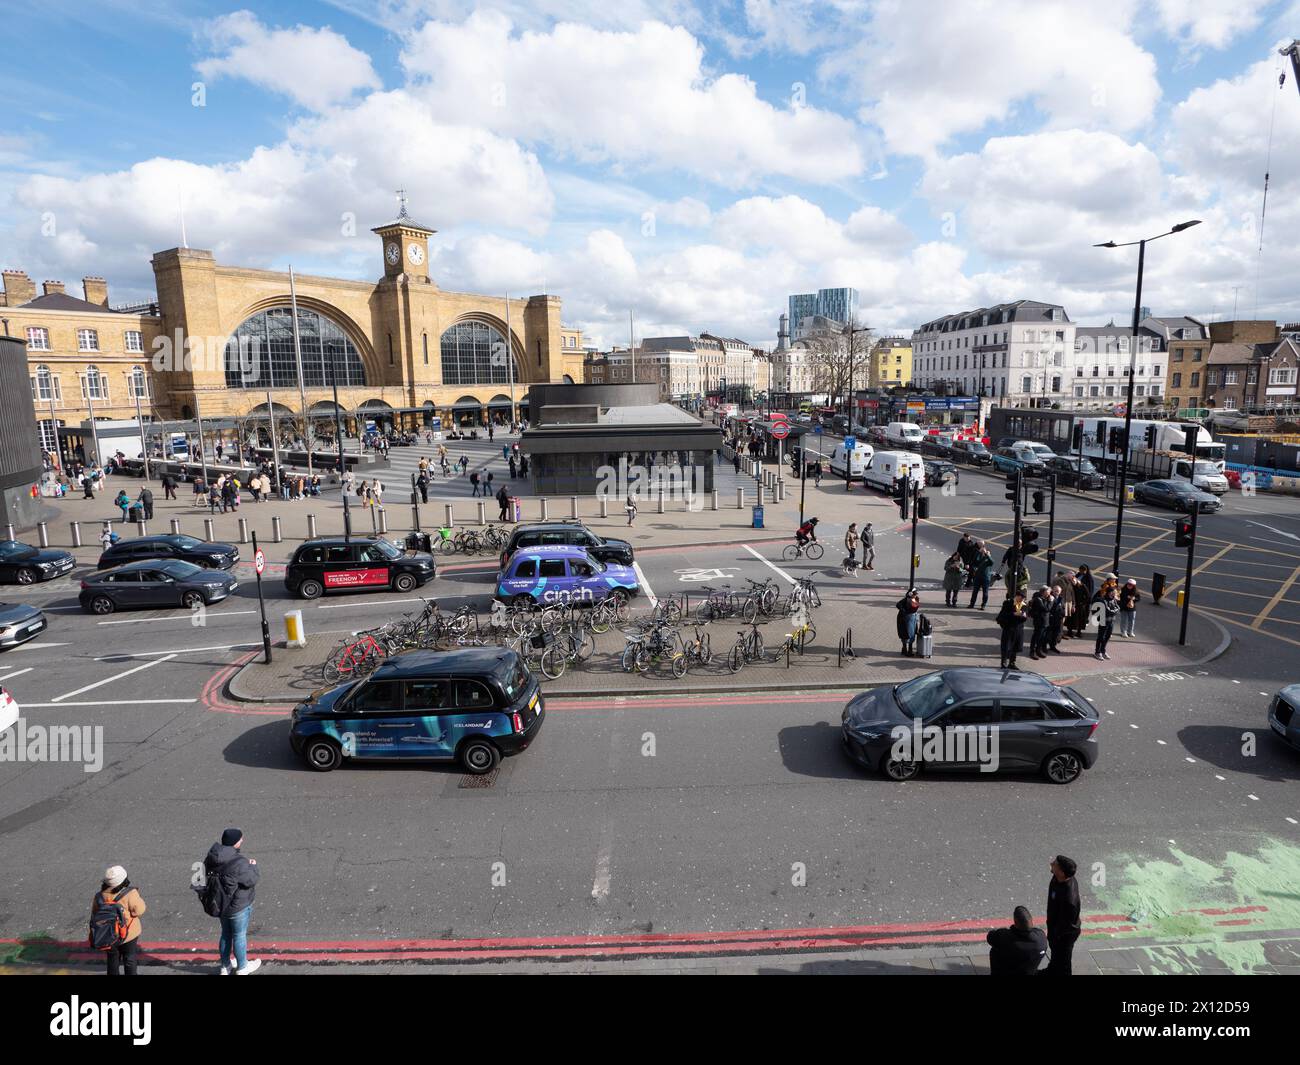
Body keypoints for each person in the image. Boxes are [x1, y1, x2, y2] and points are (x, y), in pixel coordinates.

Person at [204, 828, 262, 976]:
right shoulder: (239, 862)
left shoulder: (212, 857)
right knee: (239, 935)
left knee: (225, 934)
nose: (242, 841)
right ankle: (242, 967)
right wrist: (253, 866)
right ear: (234, 843)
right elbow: (251, 880)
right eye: (240, 839)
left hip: (220, 903)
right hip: (237, 906)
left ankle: (225, 966)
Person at [91, 864, 146, 976]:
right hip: (128, 934)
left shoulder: (99, 896)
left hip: (108, 934)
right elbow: (139, 910)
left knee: (112, 959)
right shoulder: (130, 893)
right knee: (129, 958)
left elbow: (95, 914)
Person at [1045, 855, 1082, 976]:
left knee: (1064, 963)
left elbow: (1067, 924)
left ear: (1061, 872)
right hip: (1055, 928)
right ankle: (1052, 970)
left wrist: (1056, 935)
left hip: (1064, 935)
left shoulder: (1069, 899)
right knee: (1056, 956)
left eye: (1054, 864)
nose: (1051, 864)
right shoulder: (1057, 878)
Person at [987, 906, 1048, 975]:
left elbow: (990, 937)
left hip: (1006, 970)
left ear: (1015, 922)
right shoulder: (1041, 936)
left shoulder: (1004, 936)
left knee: (995, 949)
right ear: (1031, 921)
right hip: (1029, 971)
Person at [996, 592, 1028, 669]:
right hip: (1009, 628)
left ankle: (1012, 663)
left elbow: (1025, 617)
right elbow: (1003, 615)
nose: (1022, 600)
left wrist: (1024, 616)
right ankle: (1003, 663)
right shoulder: (1008, 603)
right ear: (1017, 596)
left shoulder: (1024, 605)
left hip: (1019, 629)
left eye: (1023, 599)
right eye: (1021, 598)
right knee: (1006, 646)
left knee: (1015, 647)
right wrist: (1014, 614)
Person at [1092, 583, 1119, 660]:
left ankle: (1103, 650)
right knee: (1101, 637)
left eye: (1115, 592)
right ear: (1109, 592)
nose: (1115, 593)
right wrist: (1114, 611)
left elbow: (1117, 608)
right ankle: (1097, 652)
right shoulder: (1103, 600)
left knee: (1107, 636)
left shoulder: (1113, 600)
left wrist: (1114, 610)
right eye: (1114, 592)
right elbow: (1108, 610)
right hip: (1103, 621)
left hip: (1111, 621)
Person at [895, 588, 921, 656]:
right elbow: (898, 605)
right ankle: (904, 649)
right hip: (905, 619)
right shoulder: (906, 599)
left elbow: (915, 607)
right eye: (914, 594)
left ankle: (910, 650)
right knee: (905, 634)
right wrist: (903, 610)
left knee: (912, 634)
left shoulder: (916, 598)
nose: (915, 595)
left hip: (912, 618)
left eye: (916, 594)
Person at [968, 544, 994, 610]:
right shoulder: (979, 557)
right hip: (977, 577)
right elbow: (974, 561)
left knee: (985, 592)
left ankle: (983, 605)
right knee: (975, 591)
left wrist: (987, 554)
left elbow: (992, 562)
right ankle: (972, 604)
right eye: (982, 551)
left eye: (984, 551)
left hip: (986, 578)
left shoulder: (988, 559)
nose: (983, 552)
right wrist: (979, 552)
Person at [1028, 586, 1051, 660]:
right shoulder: (1038, 599)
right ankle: (1032, 651)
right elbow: (1046, 609)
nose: (1049, 594)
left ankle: (1038, 650)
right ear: (1043, 592)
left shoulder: (1044, 599)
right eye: (1048, 592)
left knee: (1042, 637)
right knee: (1036, 636)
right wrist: (1050, 601)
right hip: (1039, 622)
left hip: (1045, 622)